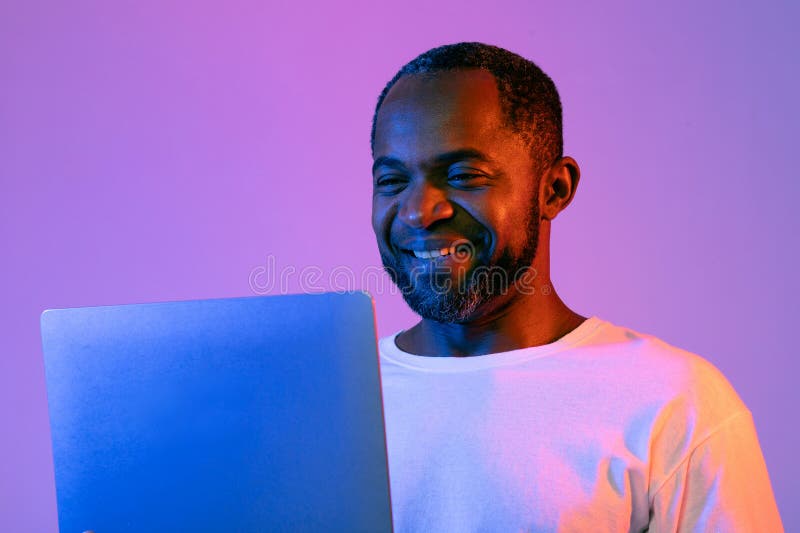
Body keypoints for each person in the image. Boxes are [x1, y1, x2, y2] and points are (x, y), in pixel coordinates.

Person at [369, 42, 783, 532]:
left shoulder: (674, 402)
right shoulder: (333, 402)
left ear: (554, 189)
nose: (418, 211)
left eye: (464, 176)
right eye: (392, 181)